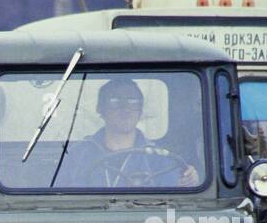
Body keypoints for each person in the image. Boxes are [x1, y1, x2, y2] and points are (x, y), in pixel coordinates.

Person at [64, 77, 199, 189]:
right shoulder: (79, 154)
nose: (125, 108)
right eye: (115, 101)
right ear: (100, 108)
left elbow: (171, 202)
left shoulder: (160, 159)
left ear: (140, 111)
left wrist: (189, 179)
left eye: (133, 102)